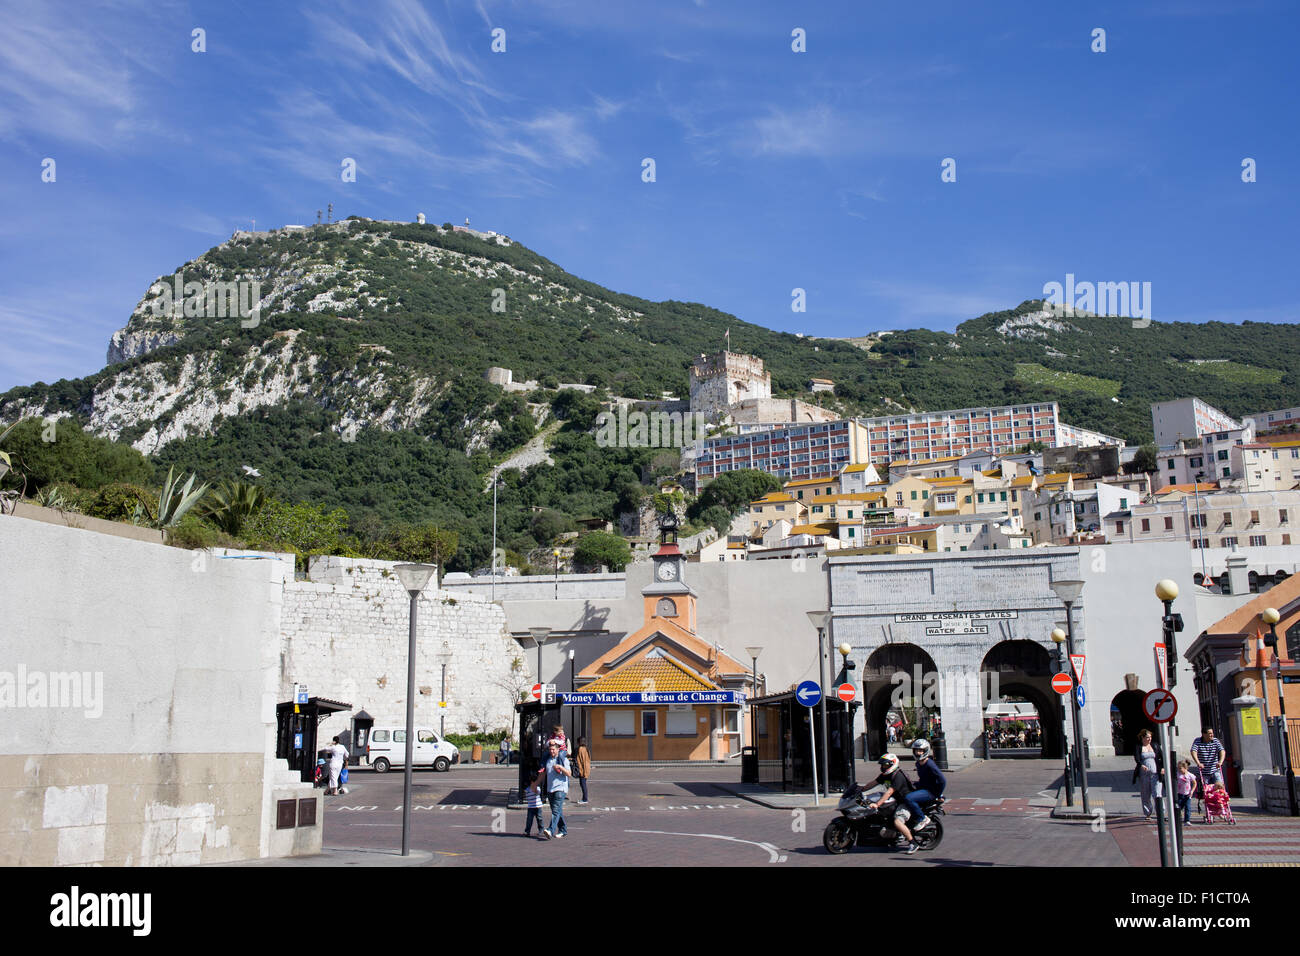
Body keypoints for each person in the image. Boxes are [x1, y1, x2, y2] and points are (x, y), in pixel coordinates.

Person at [867, 754, 920, 854]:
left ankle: (913, 843)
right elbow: (874, 783)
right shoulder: (886, 774)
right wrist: (861, 789)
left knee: (897, 821)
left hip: (906, 802)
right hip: (896, 801)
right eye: (882, 765)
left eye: (886, 765)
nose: (883, 767)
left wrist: (877, 804)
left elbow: (889, 792)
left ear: (893, 764)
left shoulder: (898, 775)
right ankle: (891, 837)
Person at [901, 738, 946, 833]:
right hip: (923, 787)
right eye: (916, 751)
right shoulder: (918, 763)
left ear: (926, 751)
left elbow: (942, 780)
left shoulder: (930, 764)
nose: (918, 753)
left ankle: (922, 818)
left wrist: (938, 793)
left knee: (909, 798)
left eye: (921, 751)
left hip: (930, 791)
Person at [535, 740, 571, 839]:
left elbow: (569, 773)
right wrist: (536, 784)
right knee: (557, 810)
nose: (552, 751)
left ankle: (551, 829)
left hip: (561, 788)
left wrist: (560, 767)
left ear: (558, 749)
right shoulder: (548, 760)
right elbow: (543, 774)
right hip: (550, 788)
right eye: (550, 749)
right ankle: (563, 830)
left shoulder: (563, 760)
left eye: (553, 749)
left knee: (555, 810)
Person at [1132, 729, 1163, 820]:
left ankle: (1160, 812)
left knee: (1157, 793)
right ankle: (1148, 813)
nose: (1149, 739)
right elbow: (1137, 758)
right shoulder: (1138, 746)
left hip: (1155, 773)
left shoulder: (1155, 745)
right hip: (1144, 774)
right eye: (1147, 737)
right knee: (1145, 793)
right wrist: (1141, 765)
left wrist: (1162, 768)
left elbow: (1161, 757)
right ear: (1142, 737)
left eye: (1150, 737)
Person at [1175, 760, 1196, 825]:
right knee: (1179, 807)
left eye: (1180, 768)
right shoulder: (1178, 774)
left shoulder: (1190, 775)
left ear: (1185, 768)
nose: (1179, 770)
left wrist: (1192, 791)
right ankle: (1176, 818)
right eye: (1178, 768)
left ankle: (1187, 820)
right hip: (1180, 793)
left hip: (1187, 794)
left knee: (1188, 807)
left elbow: (1194, 783)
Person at [573, 737, 591, 804]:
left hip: (583, 770)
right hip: (585, 770)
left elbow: (583, 761)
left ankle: (585, 799)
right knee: (583, 784)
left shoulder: (581, 749)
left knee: (583, 784)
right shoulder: (586, 749)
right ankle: (584, 798)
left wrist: (583, 772)